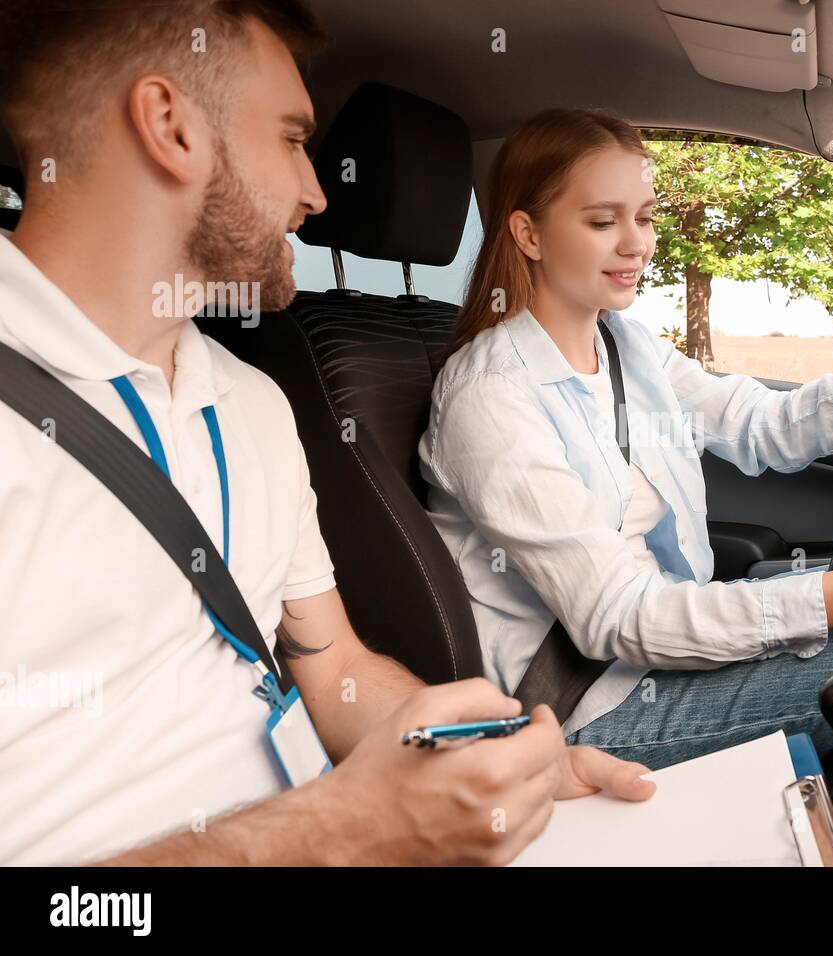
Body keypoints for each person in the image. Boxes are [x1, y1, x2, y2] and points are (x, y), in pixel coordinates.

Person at [0, 0, 653, 867]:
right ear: (170, 127)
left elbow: (332, 663)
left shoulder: (253, 403)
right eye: (291, 139)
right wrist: (335, 831)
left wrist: (500, 760)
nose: (315, 191)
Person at [421, 108, 833, 787]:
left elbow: (780, 428)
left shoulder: (628, 347)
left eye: (645, 218)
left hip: (666, 643)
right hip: (585, 708)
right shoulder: (490, 396)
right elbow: (616, 619)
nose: (636, 244)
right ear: (529, 234)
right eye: (602, 222)